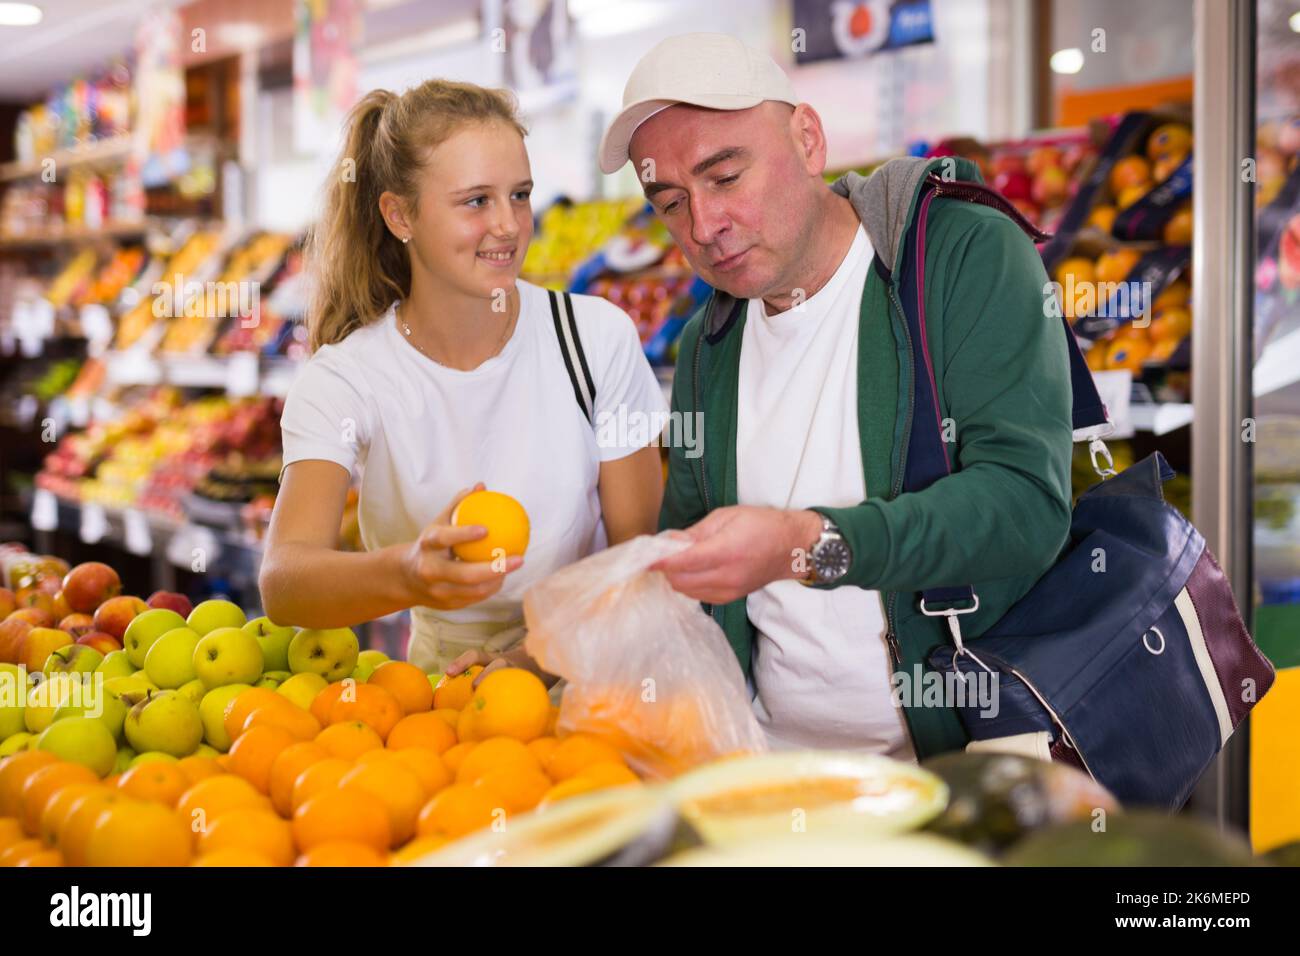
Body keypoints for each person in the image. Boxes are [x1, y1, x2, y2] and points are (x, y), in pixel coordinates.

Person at [598, 34, 1074, 760]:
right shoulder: (707, 346)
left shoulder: (961, 255)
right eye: (670, 203)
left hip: (961, 762)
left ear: (808, 140)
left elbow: (1023, 506)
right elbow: (693, 575)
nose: (702, 227)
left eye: (725, 177)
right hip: (776, 773)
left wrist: (808, 544)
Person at [260, 79, 667, 681]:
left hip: (591, 683)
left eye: (520, 195)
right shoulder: (348, 378)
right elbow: (284, 582)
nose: (508, 225)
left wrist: (531, 663)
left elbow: (638, 562)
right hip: (438, 705)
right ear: (400, 215)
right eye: (476, 201)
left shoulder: (595, 339)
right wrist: (408, 573)